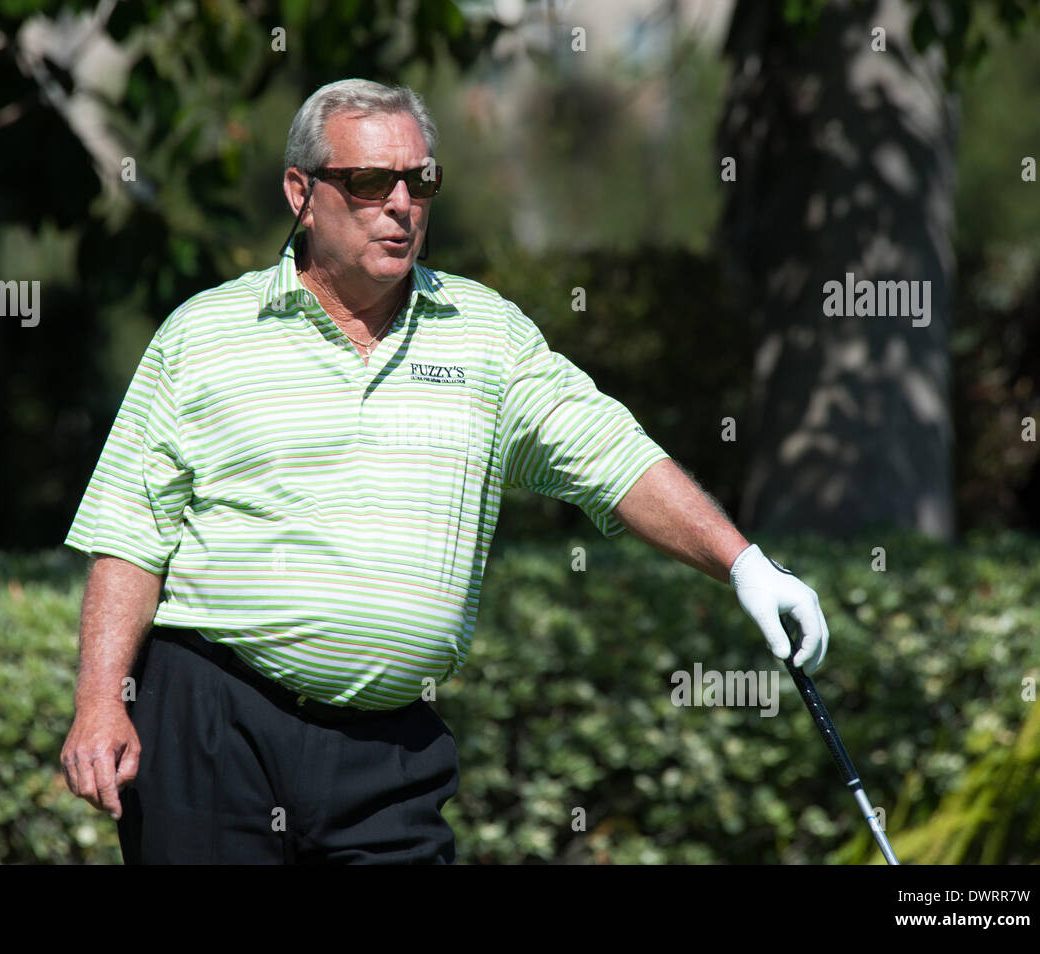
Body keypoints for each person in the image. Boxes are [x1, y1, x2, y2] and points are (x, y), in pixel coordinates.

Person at [59, 78, 829, 864]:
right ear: (301, 191)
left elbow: (610, 456)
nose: (401, 204)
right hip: (211, 727)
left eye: (419, 181)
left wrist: (741, 563)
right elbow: (132, 532)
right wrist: (98, 701)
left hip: (390, 751)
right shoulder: (206, 334)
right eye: (368, 182)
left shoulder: (485, 334)